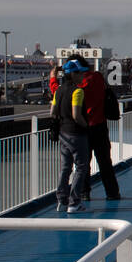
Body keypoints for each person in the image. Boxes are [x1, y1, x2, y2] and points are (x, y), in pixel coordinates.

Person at [70, 56, 120, 202]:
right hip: (100, 126)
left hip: (83, 127)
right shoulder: (98, 76)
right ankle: (112, 192)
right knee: (105, 162)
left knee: (83, 163)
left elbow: (62, 93)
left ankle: (84, 192)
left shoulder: (79, 84)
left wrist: (53, 79)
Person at [51, 60, 91, 213]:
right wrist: (86, 126)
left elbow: (52, 112)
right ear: (72, 74)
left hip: (63, 134)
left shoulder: (58, 91)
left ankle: (61, 201)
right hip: (77, 133)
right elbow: (77, 115)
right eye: (80, 73)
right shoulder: (78, 91)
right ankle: (74, 203)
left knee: (65, 167)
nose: (82, 75)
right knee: (81, 167)